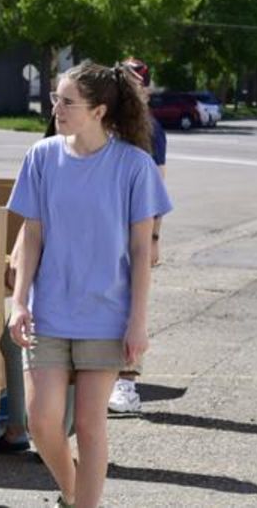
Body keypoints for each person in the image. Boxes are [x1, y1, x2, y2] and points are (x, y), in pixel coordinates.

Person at [7, 61, 172, 508]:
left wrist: (138, 323)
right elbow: (33, 236)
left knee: (91, 424)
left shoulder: (134, 166)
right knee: (41, 423)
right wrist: (18, 301)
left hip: (107, 314)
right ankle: (74, 492)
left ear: (98, 111)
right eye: (55, 98)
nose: (55, 108)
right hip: (48, 312)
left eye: (67, 101)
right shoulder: (41, 157)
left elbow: (141, 253)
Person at [108, 57, 167, 414]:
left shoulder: (149, 129)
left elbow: (158, 184)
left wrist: (155, 236)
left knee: (132, 305)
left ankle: (126, 383)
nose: (131, 86)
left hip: (134, 229)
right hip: (103, 228)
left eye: (137, 81)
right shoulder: (101, 120)